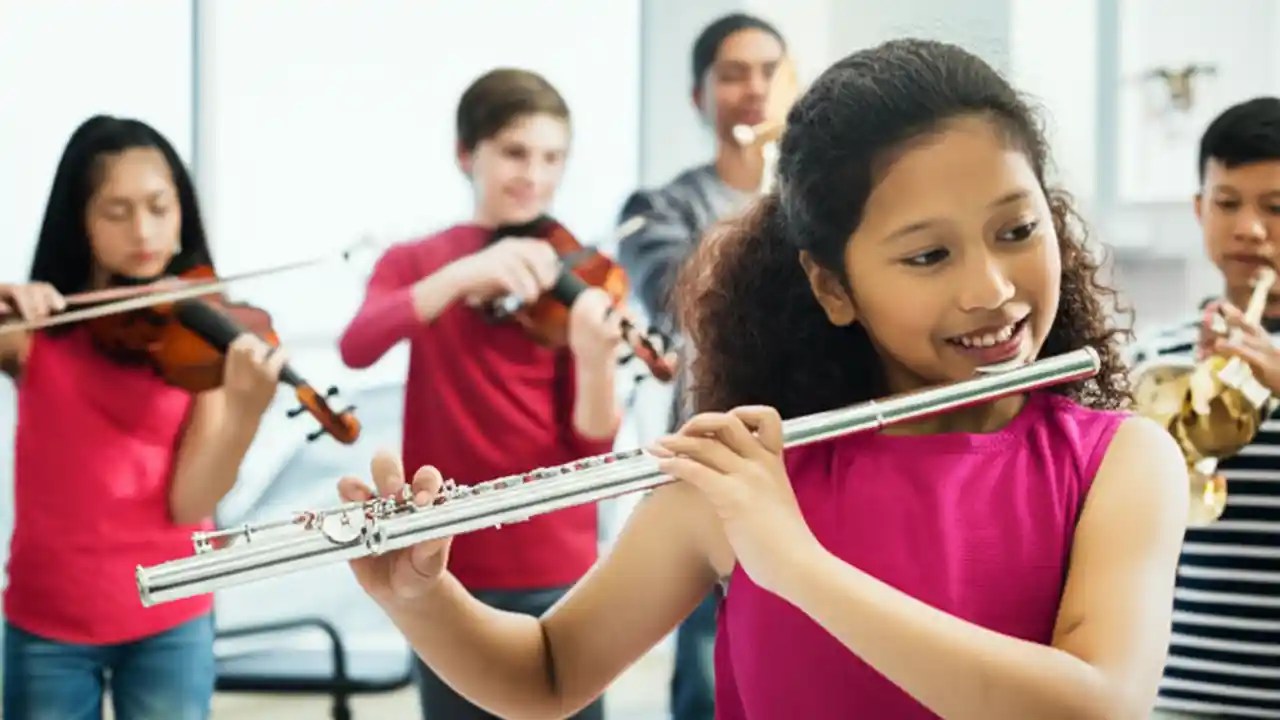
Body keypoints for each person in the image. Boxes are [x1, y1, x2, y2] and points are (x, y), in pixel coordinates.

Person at [337, 38, 1192, 719]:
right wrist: (425, 601)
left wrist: (793, 563)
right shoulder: (744, 477)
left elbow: (1092, 707)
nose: (992, 289)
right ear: (833, 286)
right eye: (929, 254)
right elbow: (551, 674)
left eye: (1016, 230)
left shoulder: (1123, 464)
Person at [336, 68, 624, 720]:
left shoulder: (579, 273)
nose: (536, 175)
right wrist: (463, 274)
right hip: (447, 563)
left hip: (561, 562)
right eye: (516, 153)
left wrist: (594, 354)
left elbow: (591, 441)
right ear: (467, 154)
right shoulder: (417, 260)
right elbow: (359, 344)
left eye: (553, 158)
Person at [0, 115, 284, 719]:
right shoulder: (33, 335)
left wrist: (246, 413)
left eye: (159, 206)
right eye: (116, 211)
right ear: (80, 221)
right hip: (49, 617)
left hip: (172, 612)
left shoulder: (202, 335)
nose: (144, 231)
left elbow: (189, 504)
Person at [615, 14, 793, 718]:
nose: (754, 88)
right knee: (708, 684)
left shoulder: (826, 207)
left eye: (769, 71)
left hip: (811, 468)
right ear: (699, 96)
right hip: (708, 477)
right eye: (733, 73)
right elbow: (672, 298)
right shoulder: (658, 209)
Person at [1130, 96, 1280, 720]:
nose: (1249, 227)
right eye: (1227, 203)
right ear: (1199, 210)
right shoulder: (1154, 354)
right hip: (1178, 691)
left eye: (1275, 207)